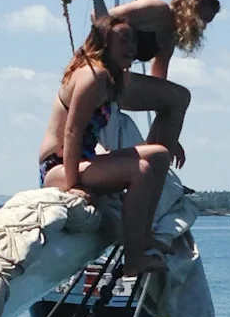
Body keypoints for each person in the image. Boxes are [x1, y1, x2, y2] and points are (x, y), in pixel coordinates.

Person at [37, 14, 187, 275]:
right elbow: (72, 132)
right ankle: (134, 259)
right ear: (105, 44)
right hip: (58, 166)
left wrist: (175, 141)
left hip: (84, 159)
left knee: (160, 155)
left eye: (133, 41)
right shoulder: (92, 77)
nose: (131, 48)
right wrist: (74, 186)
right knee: (139, 171)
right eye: (123, 41)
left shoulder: (113, 78)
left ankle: (143, 234)